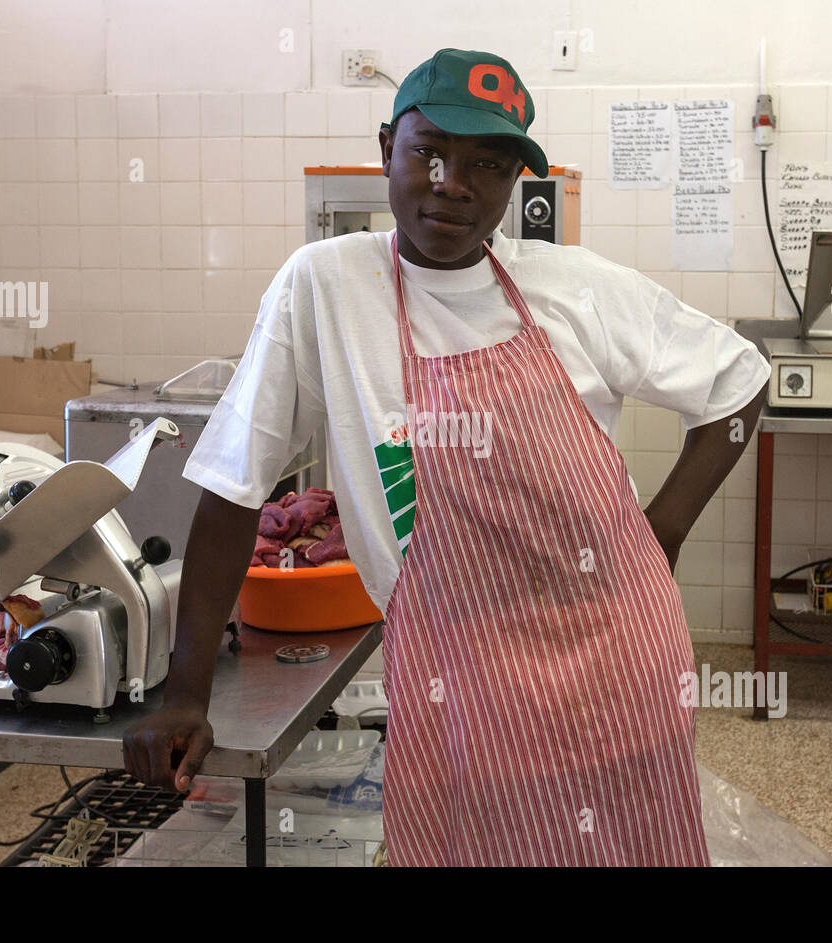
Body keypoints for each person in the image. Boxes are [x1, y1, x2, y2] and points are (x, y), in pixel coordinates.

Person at [123, 48, 770, 866]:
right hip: (456, 678)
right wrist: (185, 694)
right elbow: (232, 486)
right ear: (387, 146)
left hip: (618, 661)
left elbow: (741, 383)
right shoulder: (323, 286)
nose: (452, 182)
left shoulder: (576, 287)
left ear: (512, 184)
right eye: (429, 151)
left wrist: (663, 533)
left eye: (487, 165)